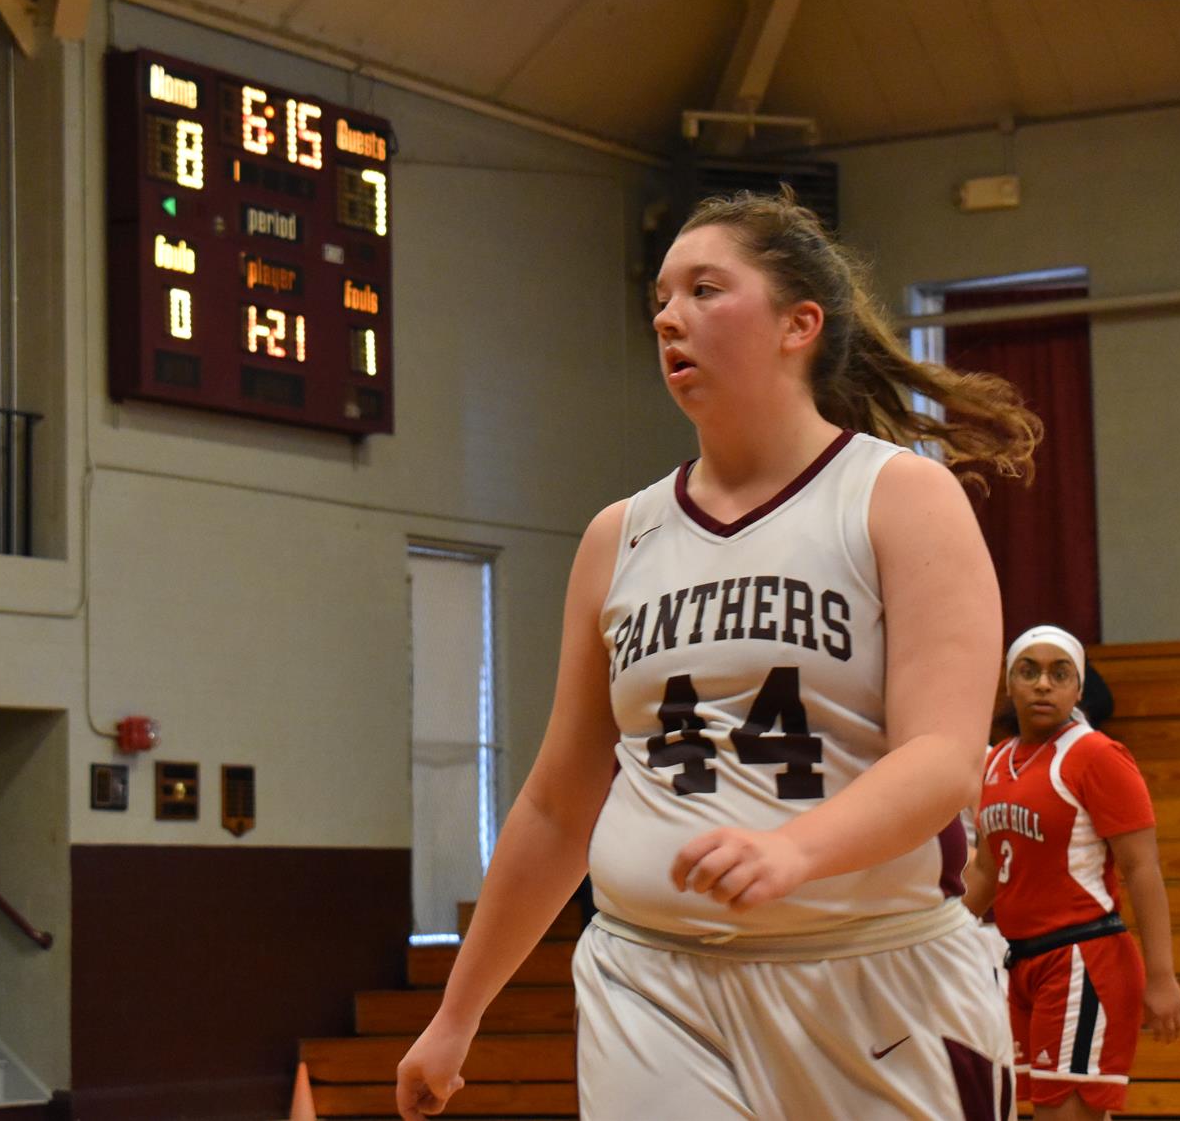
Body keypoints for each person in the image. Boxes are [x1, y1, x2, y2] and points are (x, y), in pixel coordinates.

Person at [394, 189, 1042, 1121]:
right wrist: (458, 1012)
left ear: (799, 324)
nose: (668, 316)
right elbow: (556, 799)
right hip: (650, 982)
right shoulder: (618, 536)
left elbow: (943, 762)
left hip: (874, 980)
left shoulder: (899, 499)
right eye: (661, 297)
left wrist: (795, 850)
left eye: (704, 288)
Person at [966, 626, 1180, 1121]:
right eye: (1029, 671)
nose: (1043, 684)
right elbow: (985, 869)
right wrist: (933, 934)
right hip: (1022, 962)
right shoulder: (997, 761)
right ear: (1009, 684)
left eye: (1059, 673)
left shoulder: (1096, 755)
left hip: (1082, 959)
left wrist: (1162, 976)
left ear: (1078, 688)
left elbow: (1142, 868)